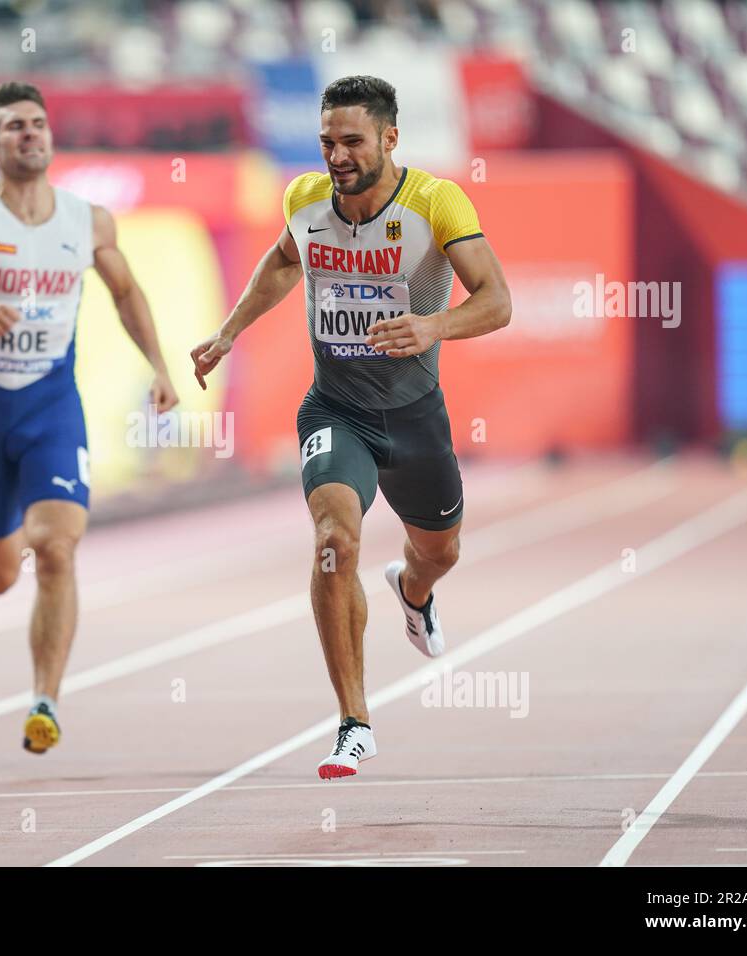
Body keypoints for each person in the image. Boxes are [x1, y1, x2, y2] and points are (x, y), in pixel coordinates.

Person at [190, 75, 511, 779]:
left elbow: (497, 302)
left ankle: (415, 591)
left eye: (352, 141)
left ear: (389, 139)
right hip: (336, 412)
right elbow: (281, 264)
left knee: (441, 552)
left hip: (416, 419)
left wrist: (433, 324)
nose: (337, 155)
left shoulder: (434, 202)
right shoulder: (304, 199)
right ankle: (354, 721)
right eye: (327, 141)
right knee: (334, 540)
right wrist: (226, 333)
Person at [0, 82, 177, 754]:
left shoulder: (88, 221)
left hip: (53, 406)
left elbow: (126, 293)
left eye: (38, 124)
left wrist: (161, 368)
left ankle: (45, 702)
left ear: (51, 137)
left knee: (57, 548)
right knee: (0, 577)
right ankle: (5, 522)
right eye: (15, 127)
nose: (30, 134)